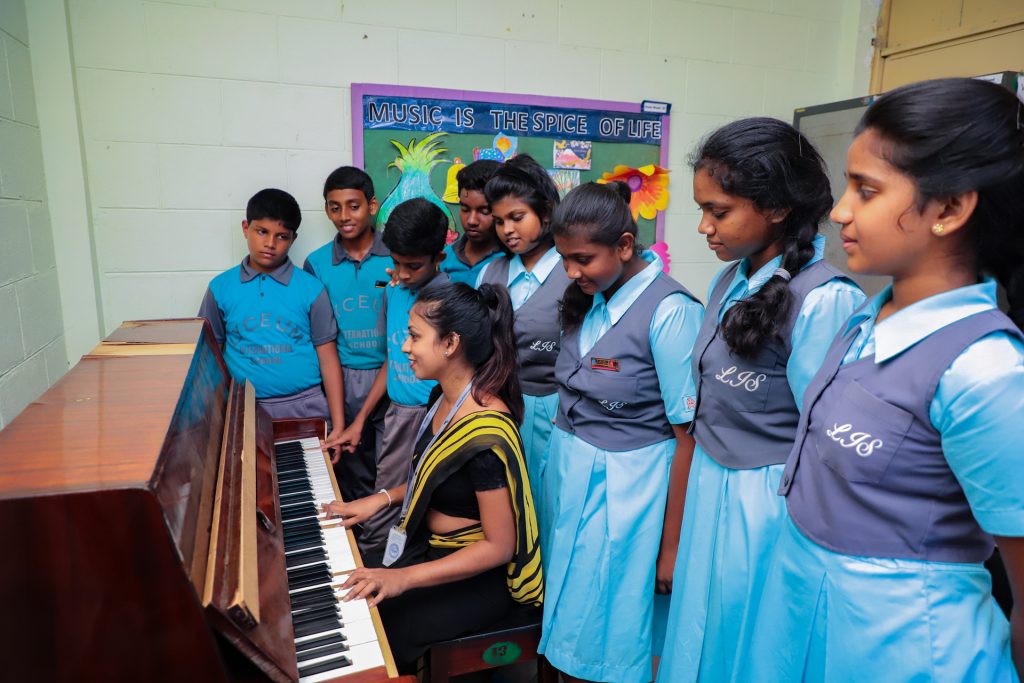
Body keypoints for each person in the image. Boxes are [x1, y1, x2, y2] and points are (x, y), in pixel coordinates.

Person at [737, 77, 1024, 681]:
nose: (839, 210)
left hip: (901, 644)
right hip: (804, 611)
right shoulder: (868, 317)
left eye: (866, 191)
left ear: (949, 209)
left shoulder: (984, 371)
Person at [657, 118, 865, 682]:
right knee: (698, 633)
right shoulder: (728, 281)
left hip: (768, 502)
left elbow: (822, 442)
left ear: (775, 207)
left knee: (749, 639)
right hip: (711, 483)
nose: (704, 226)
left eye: (718, 211)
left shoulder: (826, 301)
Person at [323, 281, 543, 674]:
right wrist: (379, 500)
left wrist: (402, 579)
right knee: (348, 582)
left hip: (475, 574)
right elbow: (435, 477)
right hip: (429, 546)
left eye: (413, 336)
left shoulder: (486, 431)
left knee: (384, 623)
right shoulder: (440, 396)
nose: (404, 347)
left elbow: (499, 547)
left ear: (450, 343)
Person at [537, 181, 704, 683]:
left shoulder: (671, 311)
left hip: (631, 485)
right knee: (572, 610)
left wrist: (671, 546)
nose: (571, 272)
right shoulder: (591, 299)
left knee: (612, 622)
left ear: (626, 246)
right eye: (564, 258)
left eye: (583, 259)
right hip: (572, 475)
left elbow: (687, 438)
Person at [330, 198, 450, 558]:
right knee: (389, 499)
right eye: (396, 263)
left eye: (413, 266)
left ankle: (381, 576)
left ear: (439, 258)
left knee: (407, 506)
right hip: (396, 414)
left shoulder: (449, 301)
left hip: (433, 416)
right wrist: (361, 419)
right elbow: (390, 360)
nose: (403, 273)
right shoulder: (394, 291)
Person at [198, 188, 344, 443]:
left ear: (293, 239)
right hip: (244, 408)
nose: (270, 243)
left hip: (304, 408)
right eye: (262, 232)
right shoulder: (220, 288)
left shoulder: (311, 289)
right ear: (246, 228)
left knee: (312, 481)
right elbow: (210, 358)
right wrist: (211, 417)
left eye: (281, 236)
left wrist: (339, 424)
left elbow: (329, 360)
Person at [478, 154, 569, 520]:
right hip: (497, 406)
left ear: (546, 212)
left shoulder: (573, 271)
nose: (506, 230)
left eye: (517, 218)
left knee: (547, 508)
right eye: (499, 221)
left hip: (553, 411)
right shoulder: (491, 271)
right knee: (503, 509)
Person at [304, 166, 391, 505]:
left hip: (392, 374)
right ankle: (359, 544)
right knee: (349, 463)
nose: (344, 215)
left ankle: (388, 545)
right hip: (342, 378)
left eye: (353, 206)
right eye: (334, 207)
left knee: (390, 467)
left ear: (372, 205)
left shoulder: (397, 255)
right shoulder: (316, 263)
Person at [440, 159, 506, 285]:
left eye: (484, 211)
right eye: (465, 209)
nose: (471, 221)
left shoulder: (511, 259)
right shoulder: (446, 257)